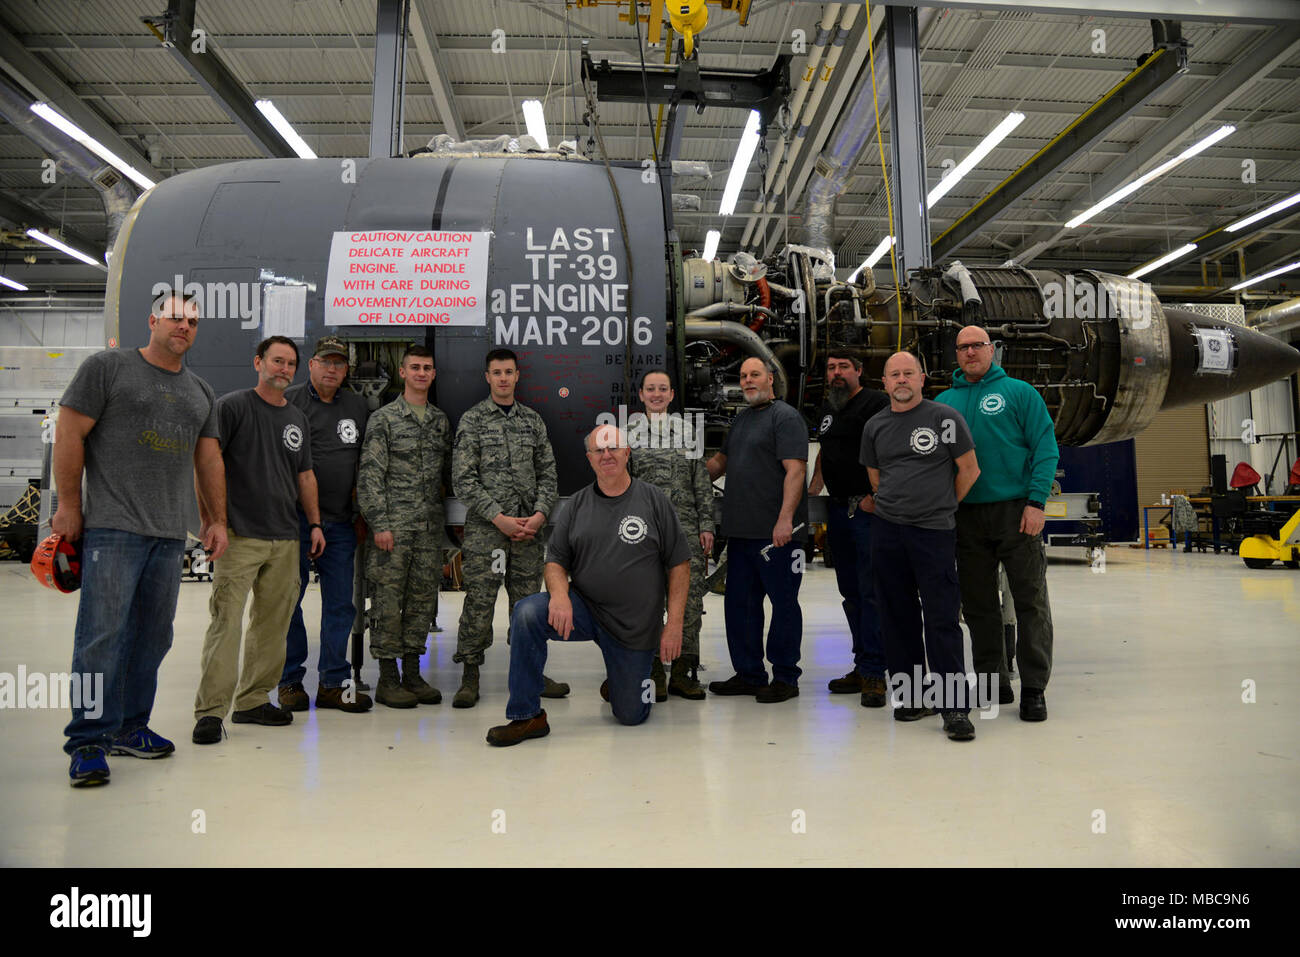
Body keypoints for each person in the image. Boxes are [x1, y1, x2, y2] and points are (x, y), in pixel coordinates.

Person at [54, 293, 227, 787]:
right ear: (151, 320)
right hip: (112, 527)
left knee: (153, 637)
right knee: (101, 638)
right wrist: (68, 507)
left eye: (193, 321)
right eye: (175, 317)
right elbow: (70, 434)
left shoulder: (200, 390)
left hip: (169, 535)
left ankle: (131, 727)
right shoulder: (107, 368)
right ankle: (88, 740)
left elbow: (208, 460)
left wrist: (216, 520)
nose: (184, 327)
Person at [485, 423, 690, 746]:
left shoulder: (654, 501)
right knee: (527, 613)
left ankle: (624, 680)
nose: (606, 455)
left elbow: (679, 564)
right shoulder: (576, 506)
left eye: (613, 448)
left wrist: (674, 623)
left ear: (627, 453)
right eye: (599, 450)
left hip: (634, 627)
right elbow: (555, 561)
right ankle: (527, 716)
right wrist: (560, 595)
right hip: (586, 609)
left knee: (631, 716)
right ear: (589, 458)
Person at [192, 336, 325, 744]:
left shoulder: (297, 419)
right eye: (276, 361)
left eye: (289, 364)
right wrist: (211, 519)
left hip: (286, 537)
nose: (283, 369)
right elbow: (205, 462)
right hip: (240, 535)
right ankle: (211, 712)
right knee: (226, 623)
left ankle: (251, 701)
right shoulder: (231, 407)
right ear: (258, 363)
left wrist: (315, 524)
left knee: (273, 625)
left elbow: (304, 476)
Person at [936, 326, 1058, 721]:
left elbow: (1045, 448)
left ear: (992, 350)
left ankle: (1034, 688)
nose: (971, 352)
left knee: (1030, 601)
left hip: (1016, 511)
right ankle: (993, 681)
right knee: (978, 606)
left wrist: (1036, 502)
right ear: (956, 354)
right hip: (966, 516)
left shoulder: (1020, 393)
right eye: (963, 347)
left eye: (978, 346)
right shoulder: (944, 403)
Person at [860, 351, 981, 742]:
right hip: (889, 532)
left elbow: (969, 470)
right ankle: (913, 697)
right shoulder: (875, 425)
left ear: (922, 378)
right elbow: (876, 478)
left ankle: (955, 708)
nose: (901, 380)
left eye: (908, 373)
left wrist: (943, 505)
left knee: (942, 618)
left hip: (933, 533)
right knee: (897, 617)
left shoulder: (944, 419)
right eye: (894, 374)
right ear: (885, 382)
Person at [451, 348, 567, 708]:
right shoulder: (472, 421)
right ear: (487, 377)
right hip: (488, 532)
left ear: (518, 376)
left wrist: (539, 515)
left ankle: (531, 673)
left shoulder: (532, 421)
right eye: (496, 372)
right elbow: (463, 480)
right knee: (479, 604)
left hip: (528, 534)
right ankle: (470, 676)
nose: (503, 378)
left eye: (508, 372)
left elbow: (548, 474)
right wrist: (499, 517)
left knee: (528, 606)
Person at [277, 336, 373, 714]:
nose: (332, 369)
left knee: (340, 605)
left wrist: (363, 513)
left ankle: (333, 683)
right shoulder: (290, 403)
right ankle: (290, 682)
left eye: (339, 364)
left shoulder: (357, 406)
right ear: (311, 365)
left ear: (346, 370)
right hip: (295, 522)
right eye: (325, 362)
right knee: (289, 602)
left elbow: (366, 463)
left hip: (340, 523)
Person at [705, 356, 808, 703]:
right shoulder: (743, 419)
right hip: (742, 533)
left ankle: (785, 677)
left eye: (755, 375)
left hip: (777, 536)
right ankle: (749, 673)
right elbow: (721, 462)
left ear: (771, 379)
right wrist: (686, 475)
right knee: (740, 606)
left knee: (783, 605)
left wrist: (785, 520)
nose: (748, 381)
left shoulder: (787, 418)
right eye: (743, 375)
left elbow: (795, 471)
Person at [357, 345, 450, 708]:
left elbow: (445, 477)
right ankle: (387, 678)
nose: (421, 373)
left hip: (427, 531)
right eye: (415, 367)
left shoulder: (440, 421)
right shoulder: (385, 420)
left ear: (433, 374)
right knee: (386, 603)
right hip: (391, 530)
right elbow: (370, 477)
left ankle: (412, 672)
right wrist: (379, 523)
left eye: (427, 367)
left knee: (421, 604)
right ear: (403, 372)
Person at [807, 349, 890, 707]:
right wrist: (812, 491)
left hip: (867, 510)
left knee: (872, 593)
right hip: (839, 510)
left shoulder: (875, 403)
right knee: (851, 593)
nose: (836, 373)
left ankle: (875, 673)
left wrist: (878, 494)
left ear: (859, 371)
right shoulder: (830, 407)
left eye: (843, 367)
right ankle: (862, 665)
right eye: (830, 368)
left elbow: (890, 449)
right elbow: (826, 452)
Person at [627, 369, 713, 700]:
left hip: (686, 530)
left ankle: (683, 672)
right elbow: (623, 484)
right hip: (644, 533)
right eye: (651, 389)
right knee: (647, 602)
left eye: (663, 388)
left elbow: (701, 482)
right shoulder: (629, 434)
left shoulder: (687, 432)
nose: (657, 394)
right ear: (642, 395)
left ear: (672, 395)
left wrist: (706, 524)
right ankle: (652, 672)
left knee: (689, 602)